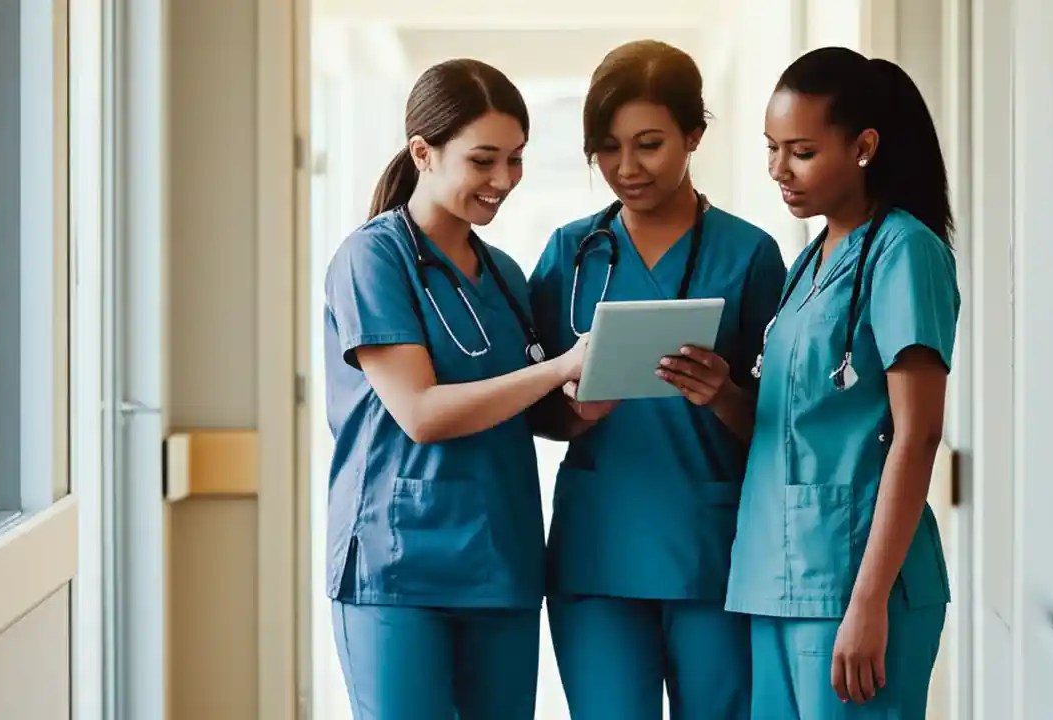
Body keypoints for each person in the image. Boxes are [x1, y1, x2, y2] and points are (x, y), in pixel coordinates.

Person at [527, 39, 788, 720]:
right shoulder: (571, 253)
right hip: (598, 547)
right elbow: (531, 407)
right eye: (606, 148)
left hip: (713, 548)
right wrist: (578, 412)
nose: (626, 167)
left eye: (648, 144)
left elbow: (784, 418)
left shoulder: (749, 254)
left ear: (694, 135)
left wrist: (722, 393)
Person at [321, 59, 587, 720]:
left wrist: (589, 401)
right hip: (398, 565)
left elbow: (525, 410)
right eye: (484, 160)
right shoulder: (373, 259)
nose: (503, 182)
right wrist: (557, 369)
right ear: (423, 153)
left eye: (517, 160)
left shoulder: (504, 276)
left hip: (499, 559)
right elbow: (421, 413)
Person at [725, 47, 960, 720]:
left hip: (855, 583)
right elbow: (798, 424)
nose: (778, 171)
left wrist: (868, 603)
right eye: (771, 149)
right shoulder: (810, 261)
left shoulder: (903, 252)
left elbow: (917, 436)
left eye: (800, 151)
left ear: (863, 147)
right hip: (778, 577)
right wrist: (718, 392)